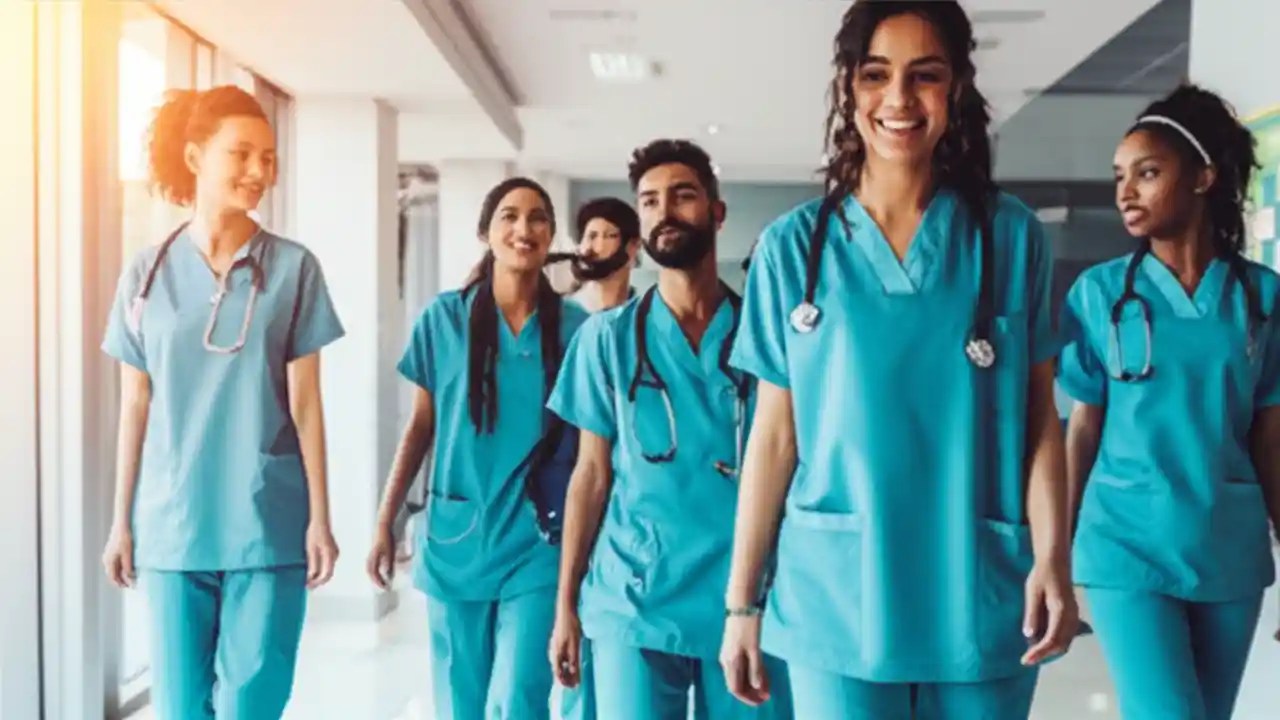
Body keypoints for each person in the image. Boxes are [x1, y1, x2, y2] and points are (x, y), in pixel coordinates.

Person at [718, 2, 1079, 718]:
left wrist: (1054, 560)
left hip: (980, 587)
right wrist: (740, 603)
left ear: (957, 90)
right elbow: (774, 438)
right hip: (838, 596)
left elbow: (1042, 421)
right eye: (876, 74)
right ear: (849, 88)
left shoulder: (1009, 238)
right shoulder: (794, 248)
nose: (899, 100)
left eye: (926, 76)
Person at [99, 85, 344, 719]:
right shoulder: (145, 273)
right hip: (173, 526)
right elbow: (135, 405)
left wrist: (320, 517)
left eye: (268, 157)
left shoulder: (294, 268)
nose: (260, 171)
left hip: (266, 523)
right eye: (242, 154)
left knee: (249, 707)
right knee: (182, 710)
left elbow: (308, 405)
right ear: (194, 156)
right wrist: (120, 520)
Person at [546, 139, 794, 720]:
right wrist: (566, 605)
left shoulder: (767, 336)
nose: (665, 212)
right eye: (650, 201)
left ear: (716, 210)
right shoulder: (606, 340)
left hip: (744, 599)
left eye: (683, 196)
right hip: (631, 599)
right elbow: (589, 475)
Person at [1058, 84, 1280, 720]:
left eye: (1147, 173)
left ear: (1204, 177)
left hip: (1228, 553)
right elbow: (1082, 430)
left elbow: (1270, 440)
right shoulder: (1100, 295)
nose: (1126, 191)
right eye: (1119, 176)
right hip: (1124, 548)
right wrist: (1056, 556)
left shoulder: (1261, 300)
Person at [366, 177, 590, 720]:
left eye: (538, 217)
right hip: (457, 537)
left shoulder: (577, 329)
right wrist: (385, 520)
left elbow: (590, 452)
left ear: (551, 234)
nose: (524, 228)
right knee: (461, 702)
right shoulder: (442, 321)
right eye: (509, 215)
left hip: (538, 542)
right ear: (486, 232)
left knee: (517, 699)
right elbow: (420, 427)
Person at [555, 196, 641, 720]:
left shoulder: (644, 328)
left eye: (605, 234)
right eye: (586, 235)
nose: (590, 245)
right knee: (571, 668)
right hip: (560, 509)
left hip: (624, 522)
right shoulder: (564, 324)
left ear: (632, 247)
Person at [569, 197, 643, 312]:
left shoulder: (646, 313)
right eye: (591, 236)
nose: (599, 247)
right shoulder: (564, 314)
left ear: (634, 246)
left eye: (610, 236)